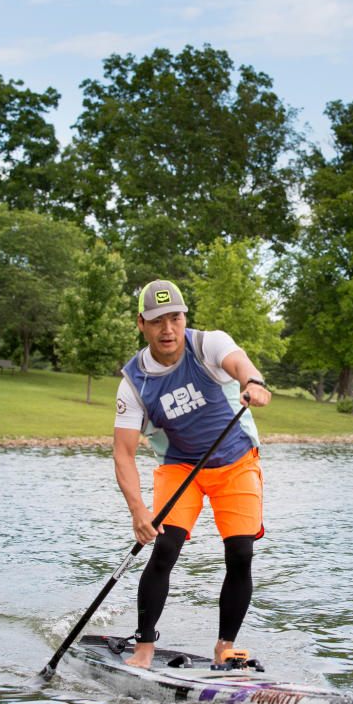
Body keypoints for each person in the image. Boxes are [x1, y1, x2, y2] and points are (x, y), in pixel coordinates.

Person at [113, 279, 271, 668]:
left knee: (241, 552)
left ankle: (225, 647)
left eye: (175, 318)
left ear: (185, 318)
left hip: (235, 462)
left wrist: (252, 381)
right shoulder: (134, 382)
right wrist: (138, 511)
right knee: (165, 548)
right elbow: (123, 453)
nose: (168, 329)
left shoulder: (208, 344)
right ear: (141, 324)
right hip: (180, 468)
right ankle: (144, 647)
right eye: (157, 321)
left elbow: (239, 362)